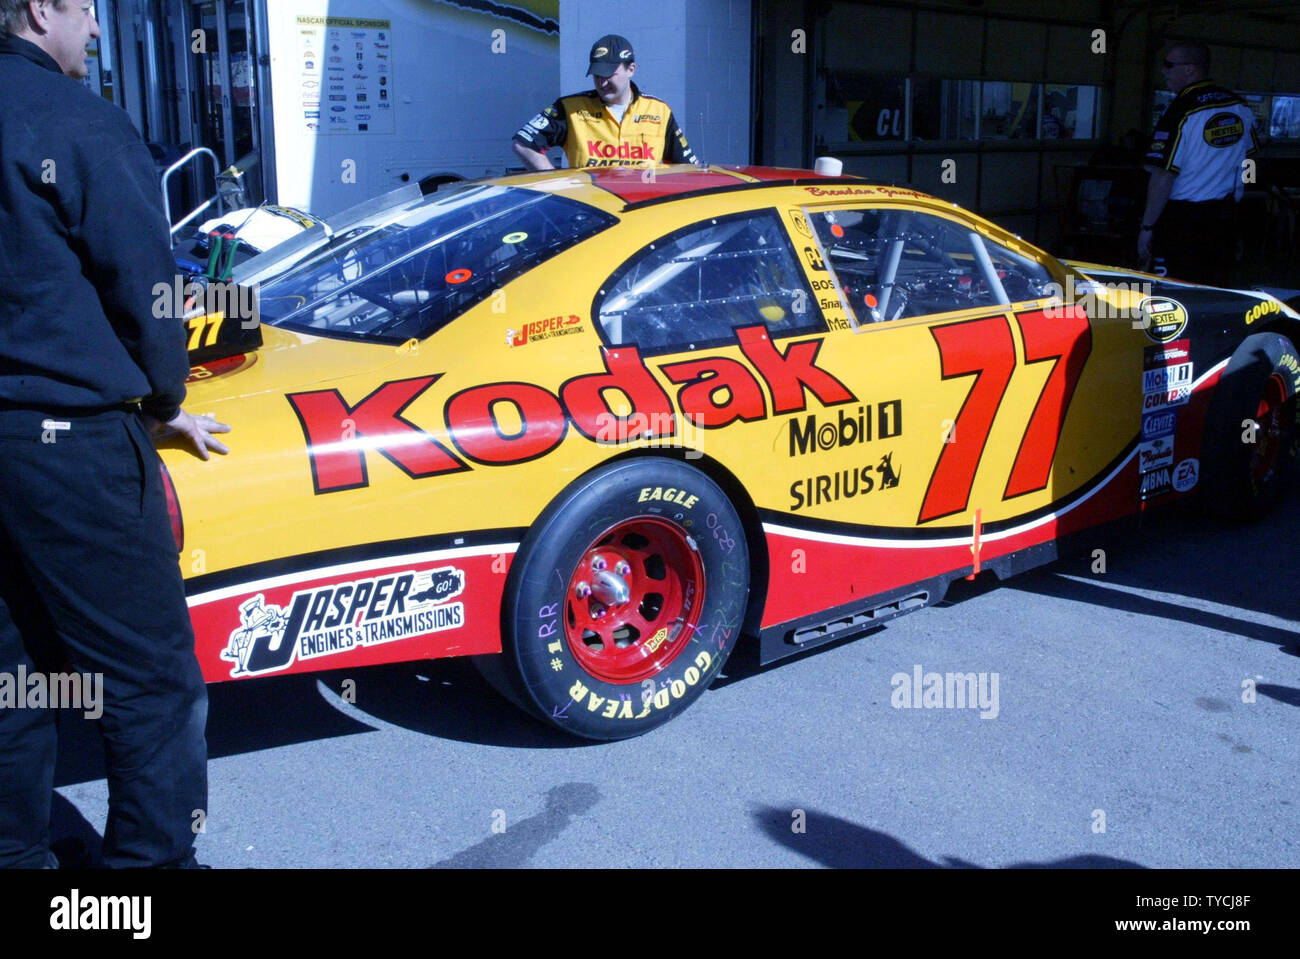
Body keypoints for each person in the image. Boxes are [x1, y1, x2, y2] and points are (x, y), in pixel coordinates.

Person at [0, 0, 230, 868]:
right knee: (150, 685)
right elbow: (149, 293)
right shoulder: (78, 120)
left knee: (13, 677)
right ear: (39, 10)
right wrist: (163, 399)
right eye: (86, 7)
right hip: (68, 442)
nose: (97, 27)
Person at [1139, 41, 1256, 284]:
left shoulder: (1180, 110)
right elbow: (1249, 157)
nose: (1163, 71)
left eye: (1168, 65)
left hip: (1183, 221)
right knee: (1216, 290)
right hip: (1226, 218)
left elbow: (1163, 175)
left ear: (1190, 69)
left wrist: (1147, 227)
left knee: (1172, 295)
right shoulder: (1240, 105)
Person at [512, 33, 700, 171]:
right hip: (592, 213)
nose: (602, 83)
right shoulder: (571, 108)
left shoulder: (659, 111)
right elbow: (523, 143)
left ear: (631, 69)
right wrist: (556, 184)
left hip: (645, 213)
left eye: (609, 75)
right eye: (597, 75)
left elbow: (688, 168)